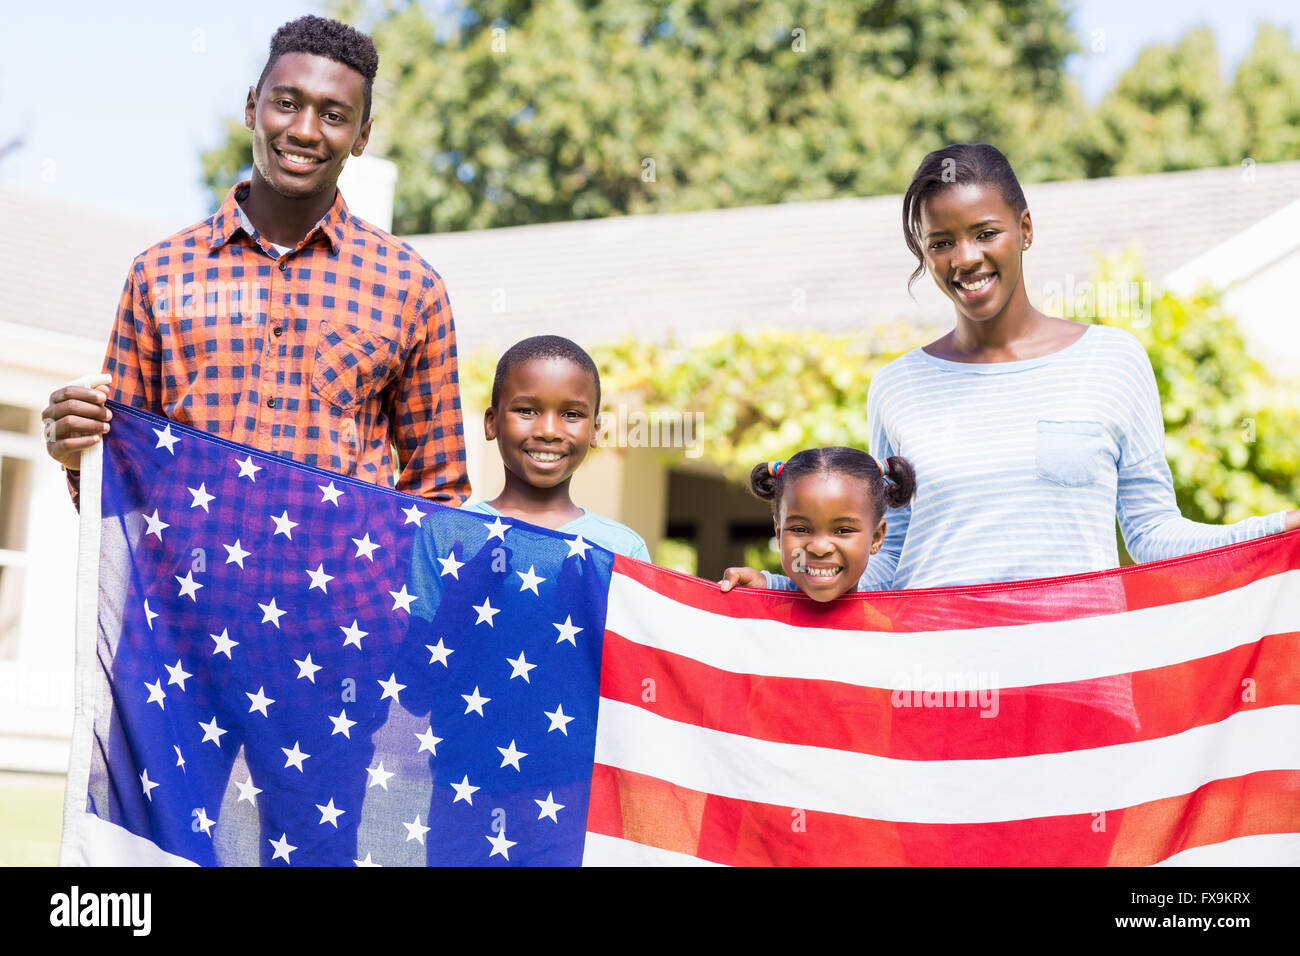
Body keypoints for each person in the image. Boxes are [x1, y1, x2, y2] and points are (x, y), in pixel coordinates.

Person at [722, 142, 1299, 593]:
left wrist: (1279, 532)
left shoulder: (1113, 360)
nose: (965, 257)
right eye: (941, 241)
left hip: (1078, 683)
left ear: (1024, 229)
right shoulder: (897, 386)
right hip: (935, 687)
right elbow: (888, 559)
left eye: (985, 233)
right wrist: (776, 588)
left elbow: (1152, 534)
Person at [41, 15, 470, 508]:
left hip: (344, 585)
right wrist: (78, 460)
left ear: (362, 136)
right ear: (252, 107)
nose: (305, 130)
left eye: (333, 115)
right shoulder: (158, 275)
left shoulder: (412, 288)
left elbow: (438, 490)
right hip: (188, 582)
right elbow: (123, 480)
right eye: (286, 104)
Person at [463, 335, 651, 560]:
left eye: (572, 415)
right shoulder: (450, 534)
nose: (549, 431)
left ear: (595, 430)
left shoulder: (622, 549)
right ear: (492, 423)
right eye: (526, 411)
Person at [748, 447, 915, 602]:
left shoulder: (893, 628)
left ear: (876, 537)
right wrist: (764, 587)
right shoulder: (759, 619)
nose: (820, 548)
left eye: (843, 530)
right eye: (800, 529)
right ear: (778, 532)